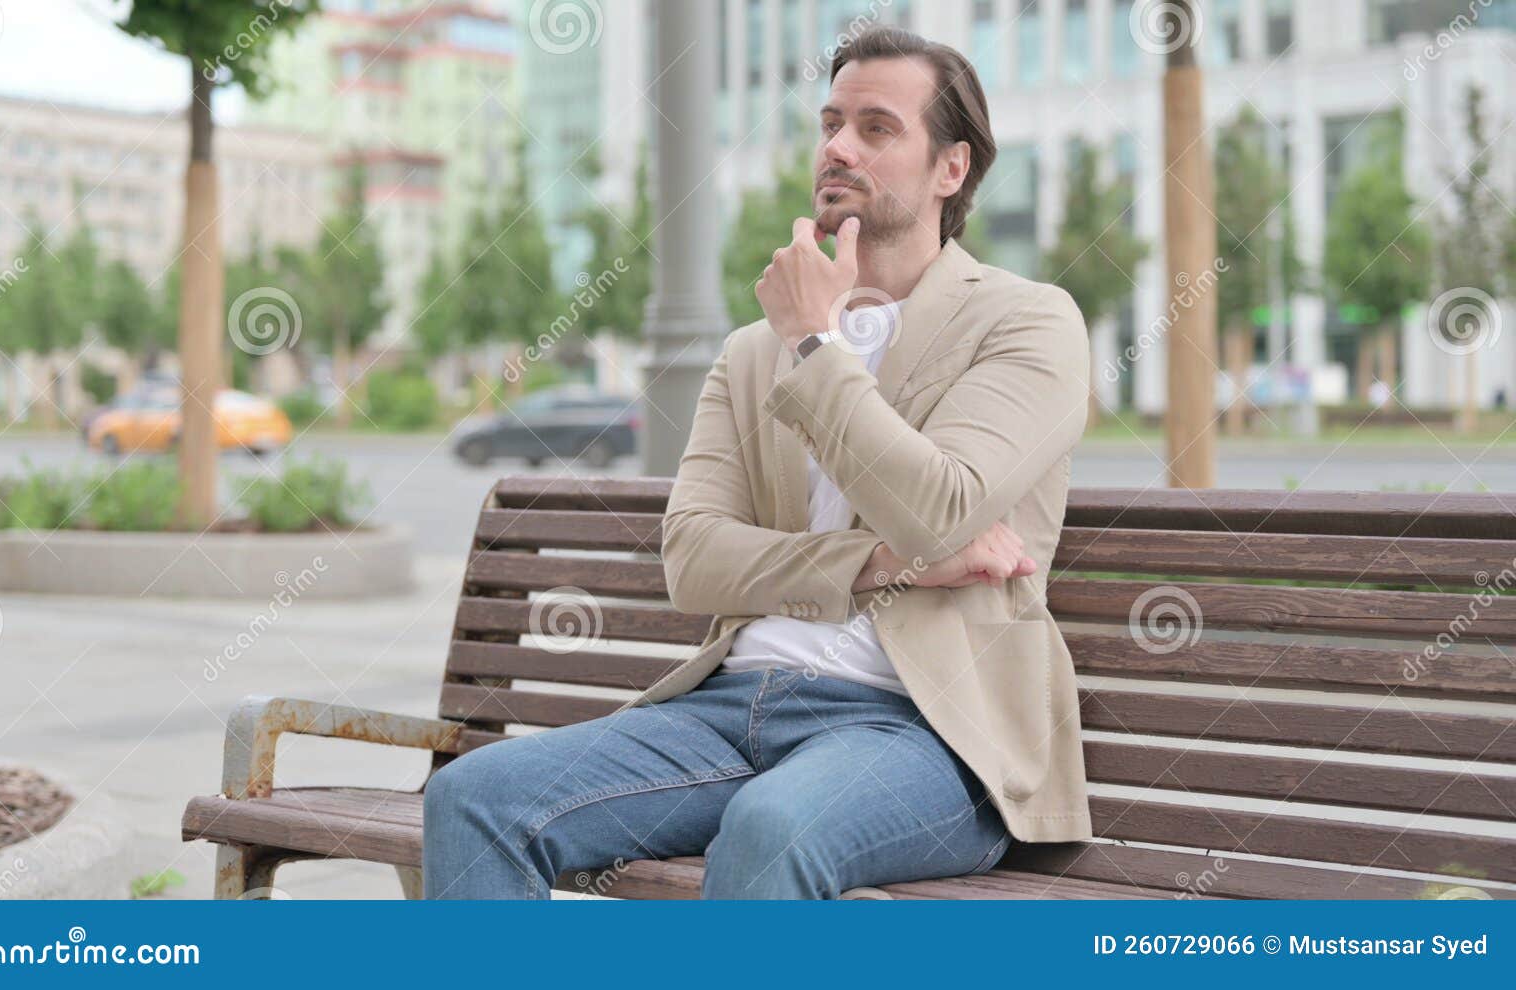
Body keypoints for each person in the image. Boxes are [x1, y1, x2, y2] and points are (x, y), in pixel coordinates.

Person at [422, 26, 1093, 900]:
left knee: (771, 828)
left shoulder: (1027, 321)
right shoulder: (751, 350)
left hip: (926, 735)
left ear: (951, 168)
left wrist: (816, 344)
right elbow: (693, 558)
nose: (838, 148)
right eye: (832, 123)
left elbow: (940, 511)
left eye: (877, 129)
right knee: (473, 797)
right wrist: (871, 564)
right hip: (726, 710)